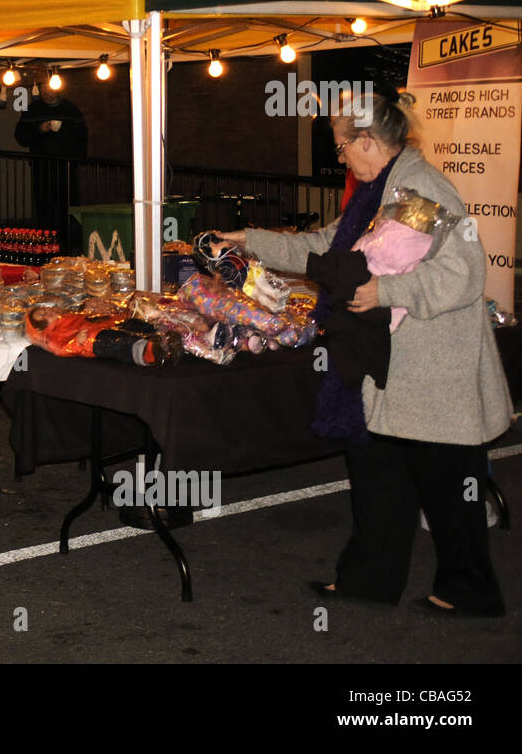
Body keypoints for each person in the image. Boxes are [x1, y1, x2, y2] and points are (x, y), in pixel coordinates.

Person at [217, 90, 511, 616]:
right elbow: (328, 247)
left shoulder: (421, 188)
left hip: (432, 371)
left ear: (368, 141)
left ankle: (470, 592)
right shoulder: (380, 190)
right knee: (379, 475)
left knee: (445, 488)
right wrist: (251, 239)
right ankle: (369, 580)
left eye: (340, 146)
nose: (340, 158)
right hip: (393, 370)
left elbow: (463, 276)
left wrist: (387, 292)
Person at [14, 72, 87, 237]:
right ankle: (45, 240)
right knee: (44, 204)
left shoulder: (70, 109)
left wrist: (78, 158)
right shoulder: (32, 110)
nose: (47, 92)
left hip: (66, 166)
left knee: (67, 204)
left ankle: (67, 239)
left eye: (49, 88)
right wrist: (39, 130)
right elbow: (21, 137)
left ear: (58, 89)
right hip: (42, 166)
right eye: (43, 89)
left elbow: (82, 136)